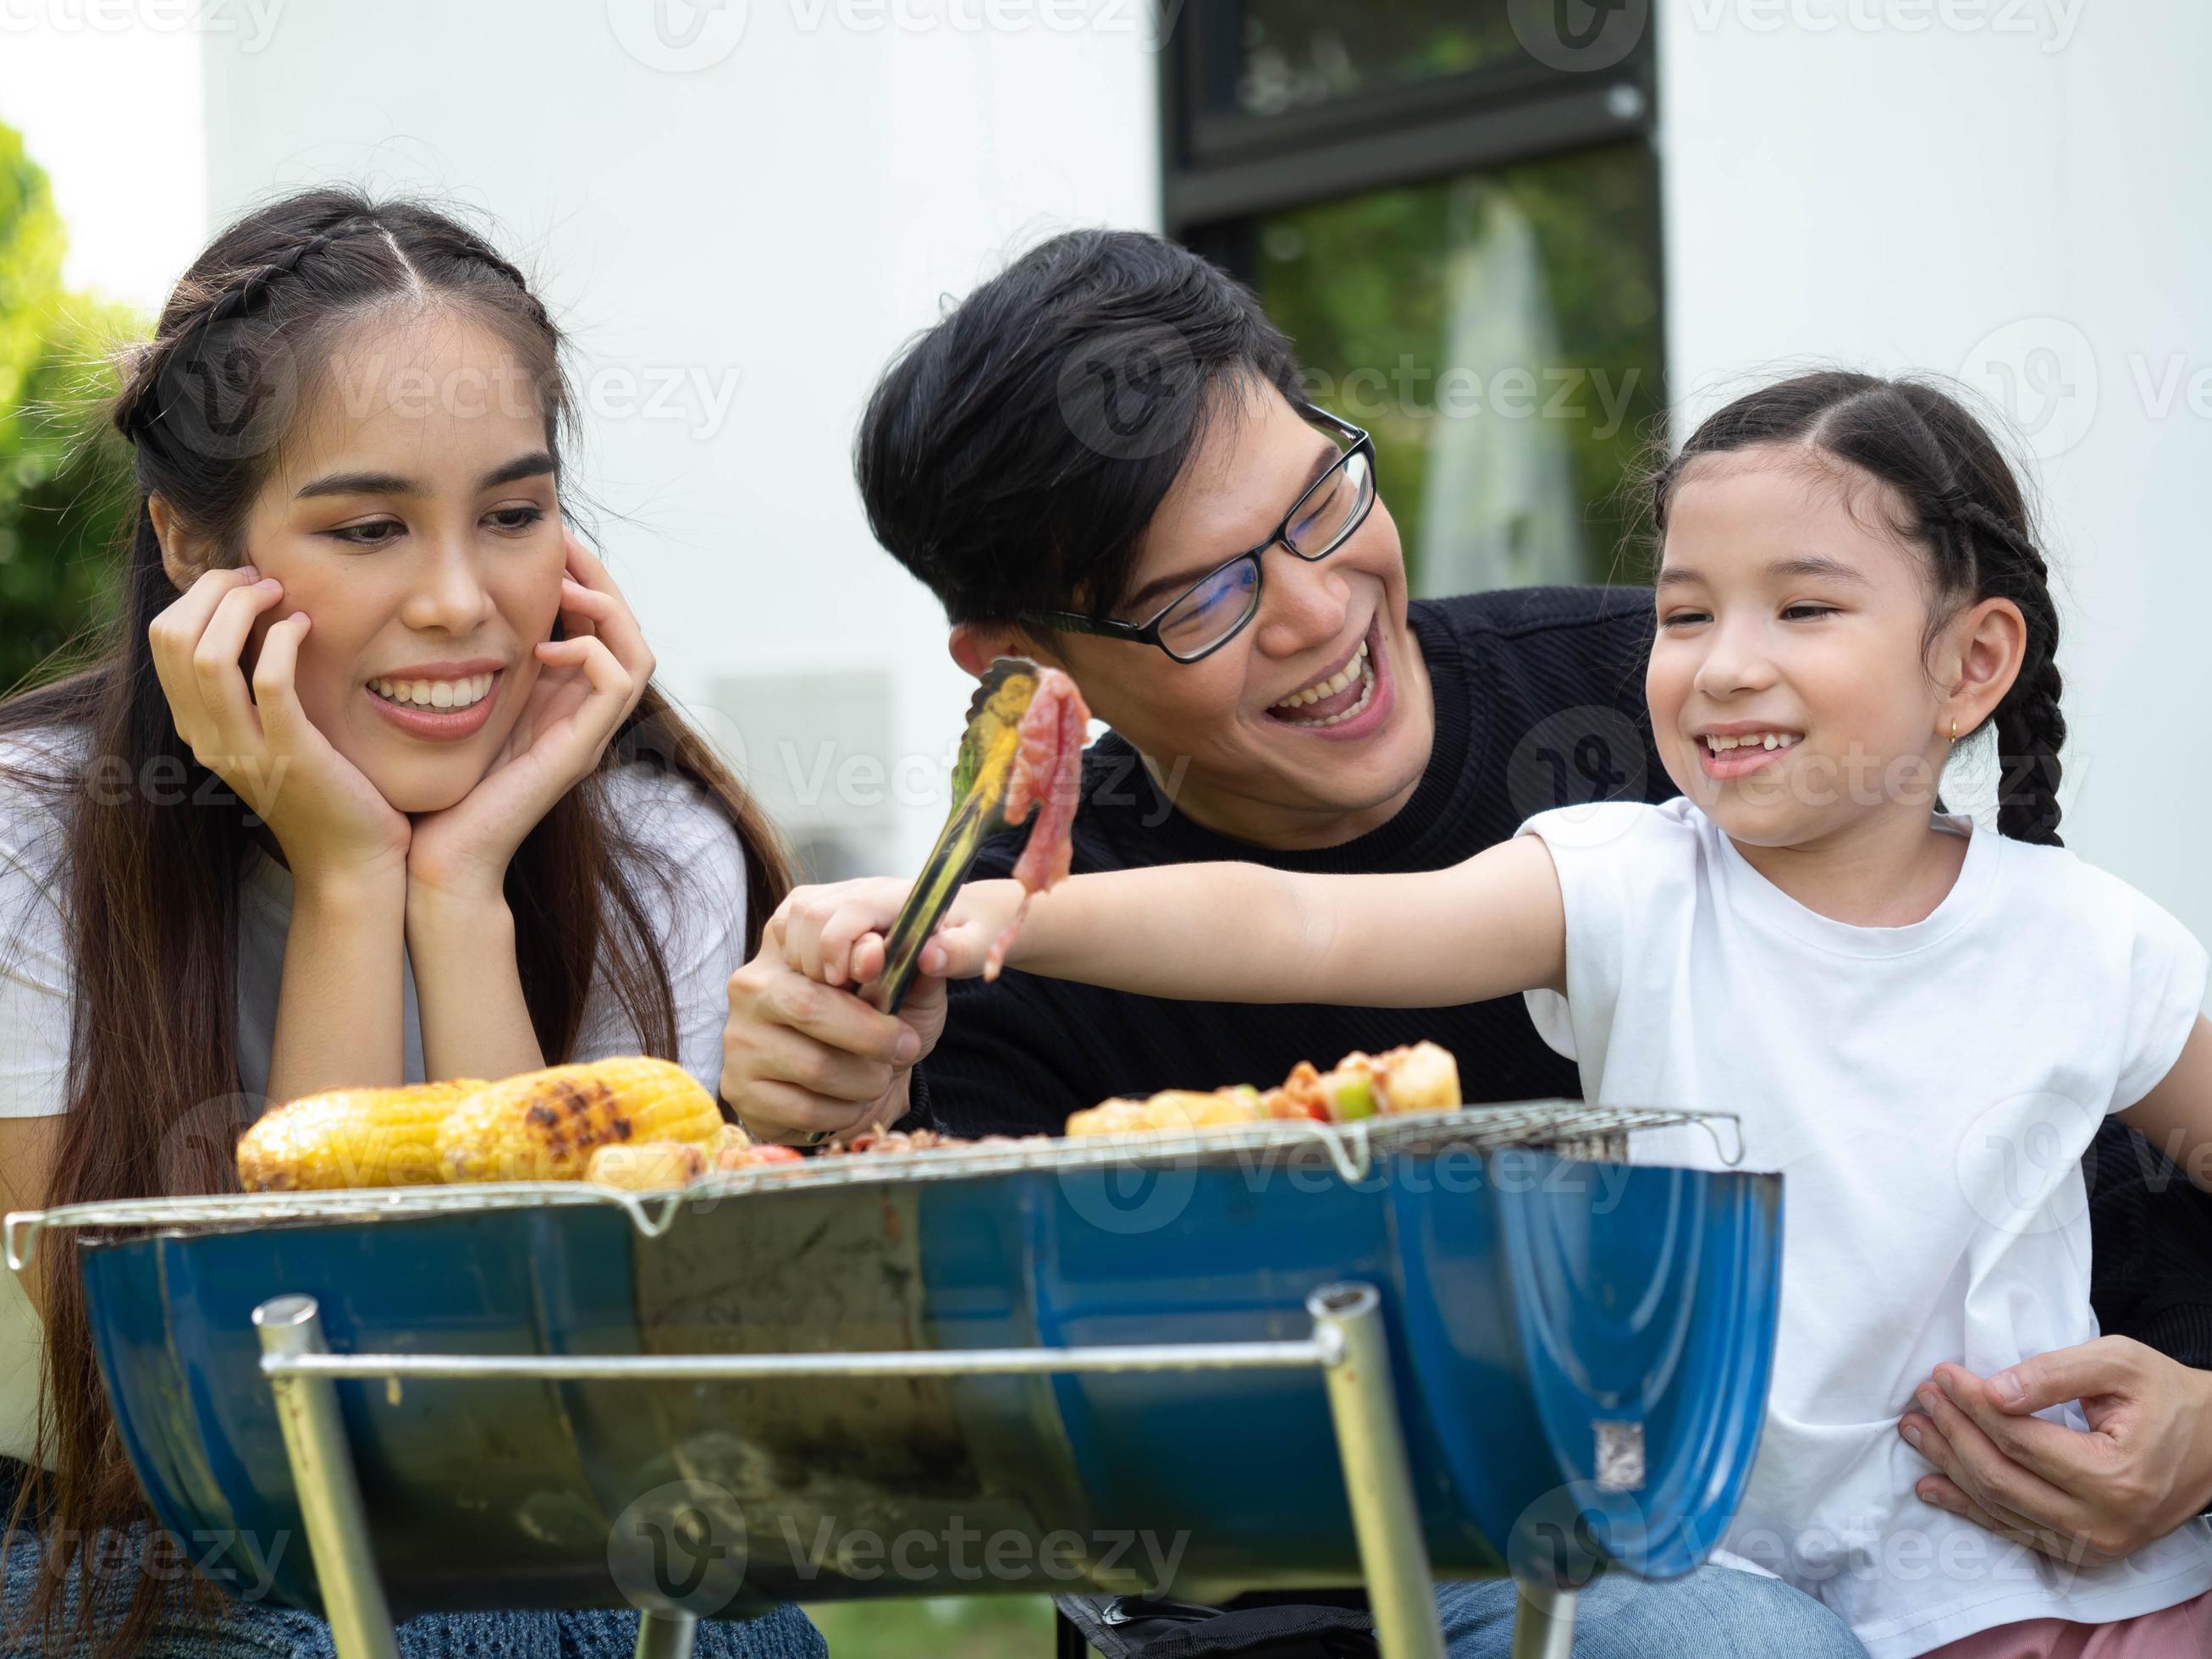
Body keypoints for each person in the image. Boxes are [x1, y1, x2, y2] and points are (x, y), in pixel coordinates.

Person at [723, 231, 2212, 1655]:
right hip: (1368, 1590)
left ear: (1968, 666)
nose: (1315, 611)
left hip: (2020, 1570)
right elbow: (908, 1425)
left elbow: (2042, 1129)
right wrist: (847, 1095)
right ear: (1023, 664)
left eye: (1317, 505)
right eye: (1199, 599)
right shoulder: (1003, 953)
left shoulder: (1710, 720)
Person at [0, 190, 823, 1658]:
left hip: (535, 1555)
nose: (458, 601)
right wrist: (345, 880)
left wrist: (457, 893)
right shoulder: (30, 839)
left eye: (511, 516)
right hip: (121, 1554)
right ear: (189, 544)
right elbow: (272, 1461)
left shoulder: (657, 855)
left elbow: (553, 1422)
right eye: (370, 528)